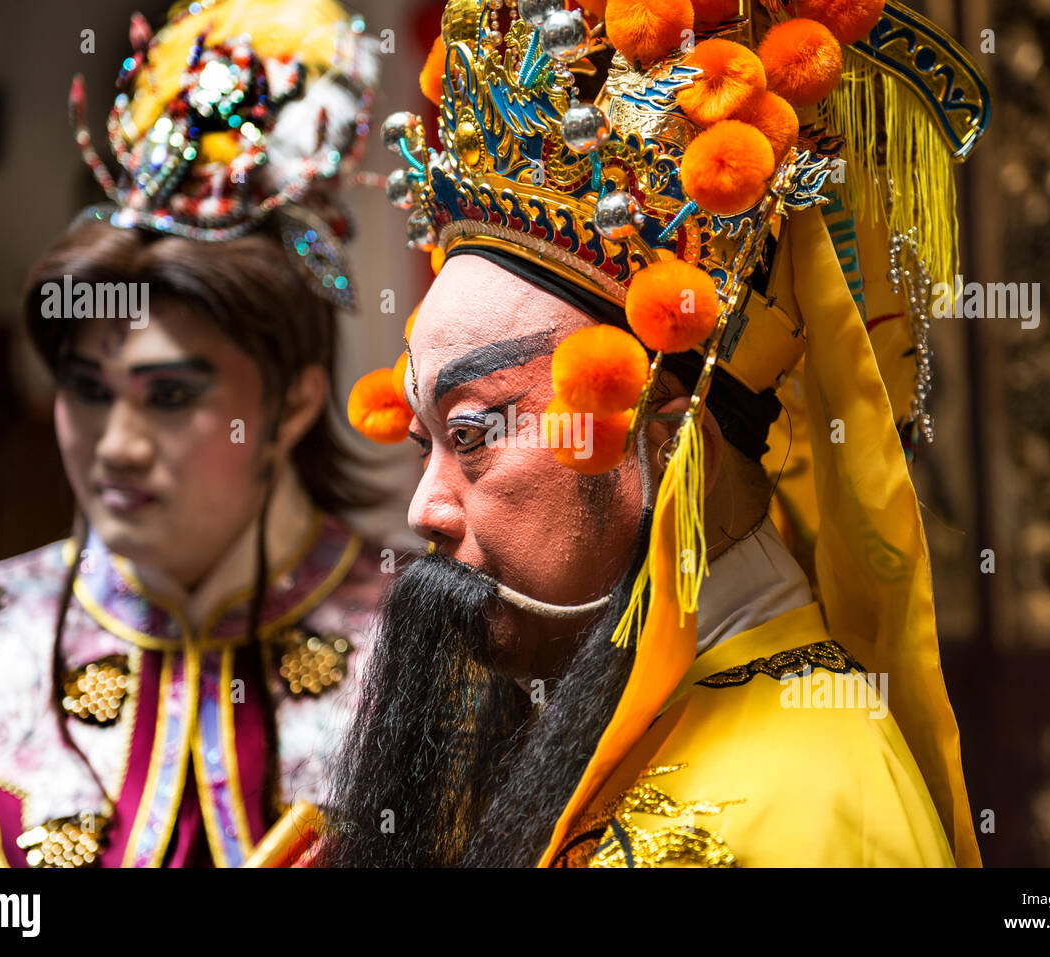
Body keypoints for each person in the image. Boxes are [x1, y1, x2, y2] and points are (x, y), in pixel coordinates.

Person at [325, 0, 989, 867]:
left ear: (671, 444)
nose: (425, 508)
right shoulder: (590, 706)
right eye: (426, 445)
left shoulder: (811, 812)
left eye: (473, 434)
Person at [0, 0, 385, 868]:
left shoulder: (443, 649)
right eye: (86, 389)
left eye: (168, 397)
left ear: (296, 403)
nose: (114, 443)